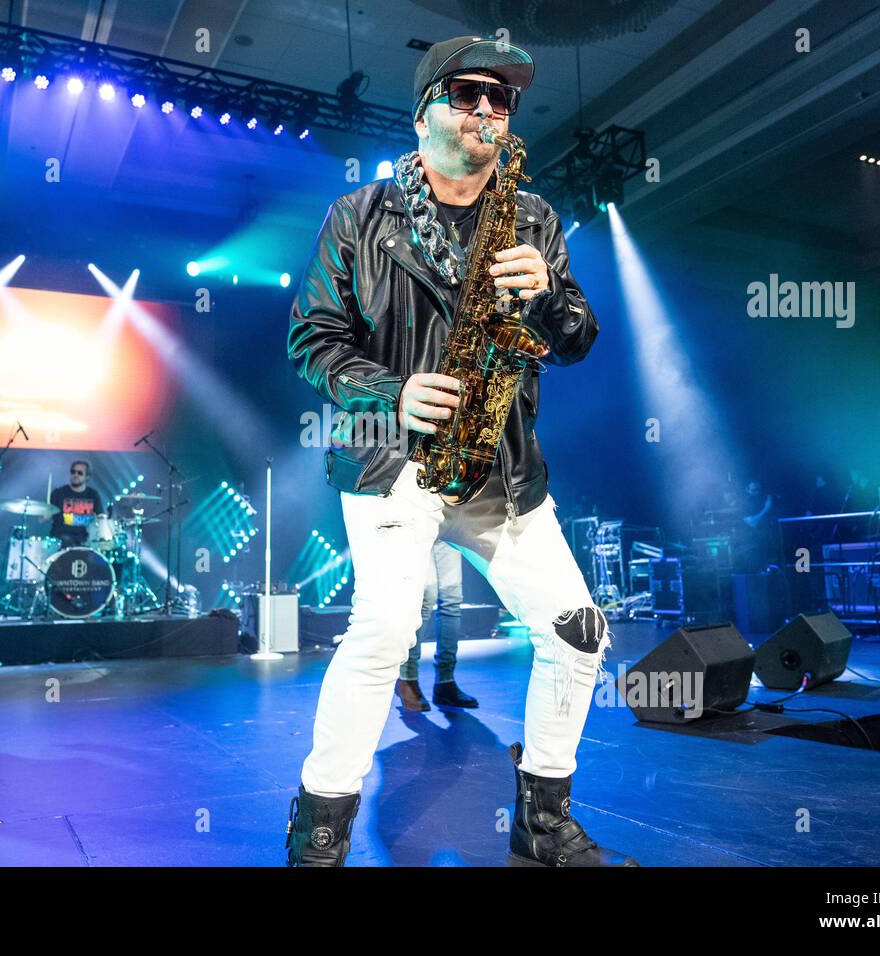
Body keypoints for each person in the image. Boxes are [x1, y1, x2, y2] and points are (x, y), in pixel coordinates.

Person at [284, 35, 636, 867]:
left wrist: (549, 297)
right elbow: (312, 340)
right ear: (424, 113)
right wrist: (392, 391)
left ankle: (543, 823)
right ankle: (319, 835)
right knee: (381, 632)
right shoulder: (358, 216)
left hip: (502, 471)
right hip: (389, 458)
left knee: (578, 635)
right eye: (470, 92)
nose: (488, 109)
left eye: (502, 100)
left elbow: (580, 338)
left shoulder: (536, 218)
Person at [395, 539, 478, 711]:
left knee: (452, 598)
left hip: (449, 520)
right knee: (426, 595)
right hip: (418, 520)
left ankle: (445, 682)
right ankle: (407, 677)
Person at [49, 460, 104, 547]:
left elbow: (100, 517)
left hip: (85, 539)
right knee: (66, 540)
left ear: (87, 477)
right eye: (73, 472)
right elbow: (49, 513)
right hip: (61, 539)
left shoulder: (93, 494)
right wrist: (46, 515)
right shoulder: (59, 493)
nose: (75, 475)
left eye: (80, 473)